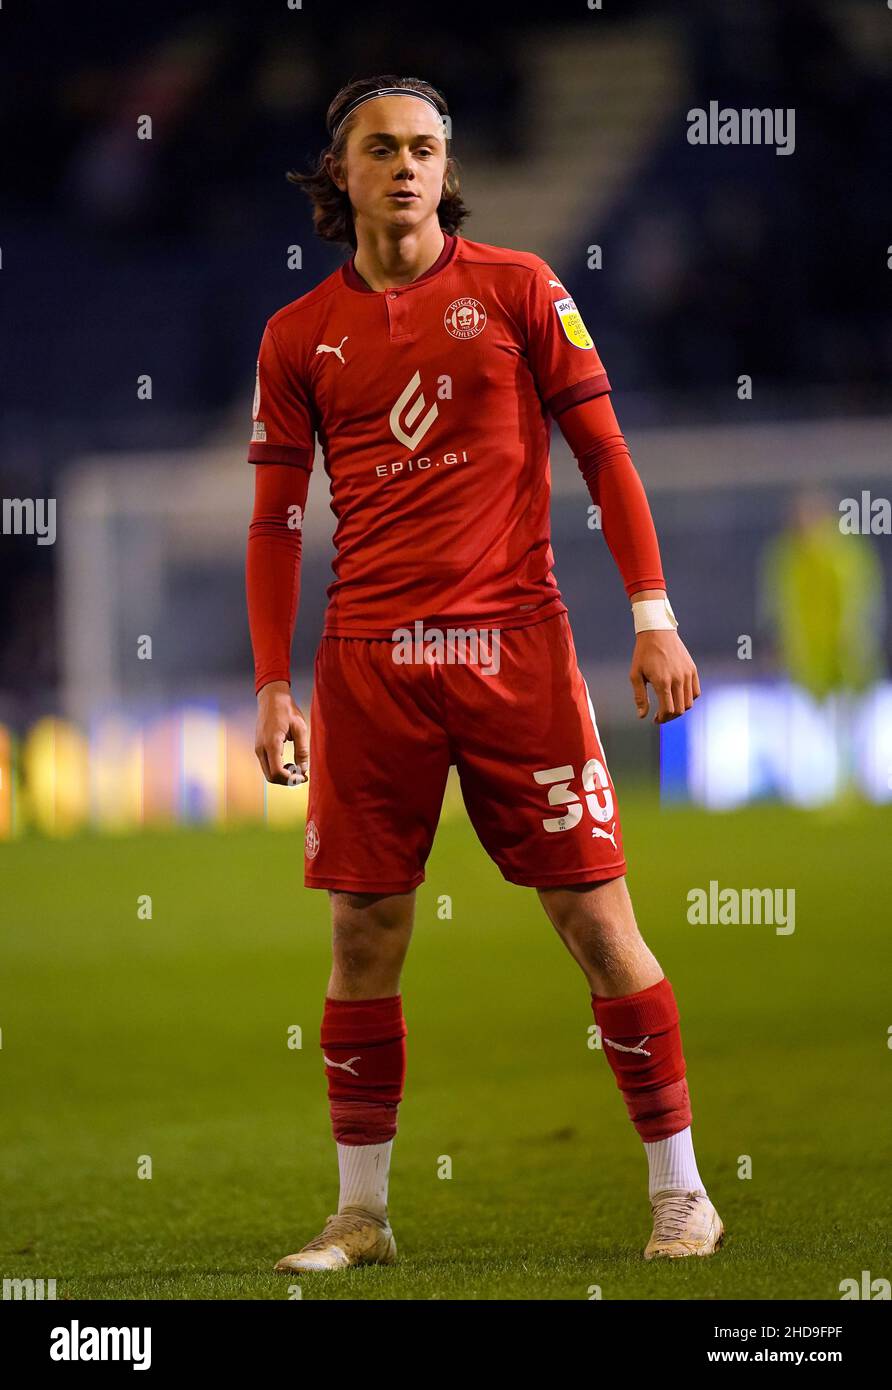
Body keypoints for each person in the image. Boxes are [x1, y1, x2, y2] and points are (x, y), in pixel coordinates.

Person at [246, 75, 723, 1271]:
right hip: (370, 666)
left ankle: (682, 1191)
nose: (404, 166)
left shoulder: (520, 289)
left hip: (517, 649)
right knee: (363, 933)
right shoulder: (297, 336)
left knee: (596, 920)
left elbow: (604, 453)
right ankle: (362, 1214)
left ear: (445, 168)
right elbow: (272, 525)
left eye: (422, 148)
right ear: (341, 174)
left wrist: (653, 617)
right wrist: (270, 683)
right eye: (378, 148)